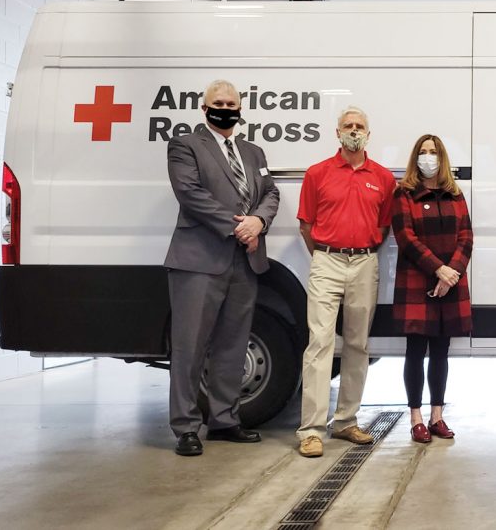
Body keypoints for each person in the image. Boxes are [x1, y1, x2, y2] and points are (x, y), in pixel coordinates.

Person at [164, 79, 280, 456]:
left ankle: (225, 420)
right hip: (199, 260)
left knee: (233, 343)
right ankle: (185, 427)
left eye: (231, 102)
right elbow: (189, 193)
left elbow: (271, 193)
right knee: (190, 346)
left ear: (241, 108)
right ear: (204, 107)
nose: (225, 107)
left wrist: (259, 222)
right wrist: (238, 226)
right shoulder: (185, 145)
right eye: (218, 102)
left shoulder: (253, 151)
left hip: (244, 261)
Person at [296, 106, 396, 458]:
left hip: (365, 262)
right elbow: (306, 225)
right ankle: (311, 430)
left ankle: (346, 421)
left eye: (360, 126)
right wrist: (326, 255)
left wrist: (359, 251)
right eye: (348, 125)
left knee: (357, 344)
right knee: (320, 342)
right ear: (337, 132)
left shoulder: (383, 178)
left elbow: (383, 227)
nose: (354, 130)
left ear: (369, 134)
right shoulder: (317, 173)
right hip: (326, 260)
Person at [391, 135, 474, 443]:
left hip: (449, 282)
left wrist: (451, 272)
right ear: (416, 158)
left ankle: (436, 416)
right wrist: (438, 269)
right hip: (418, 280)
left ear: (442, 158)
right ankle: (415, 418)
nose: (428, 158)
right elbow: (405, 237)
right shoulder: (404, 193)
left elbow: (466, 235)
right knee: (415, 351)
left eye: (434, 152)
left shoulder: (455, 193)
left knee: (441, 351)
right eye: (423, 153)